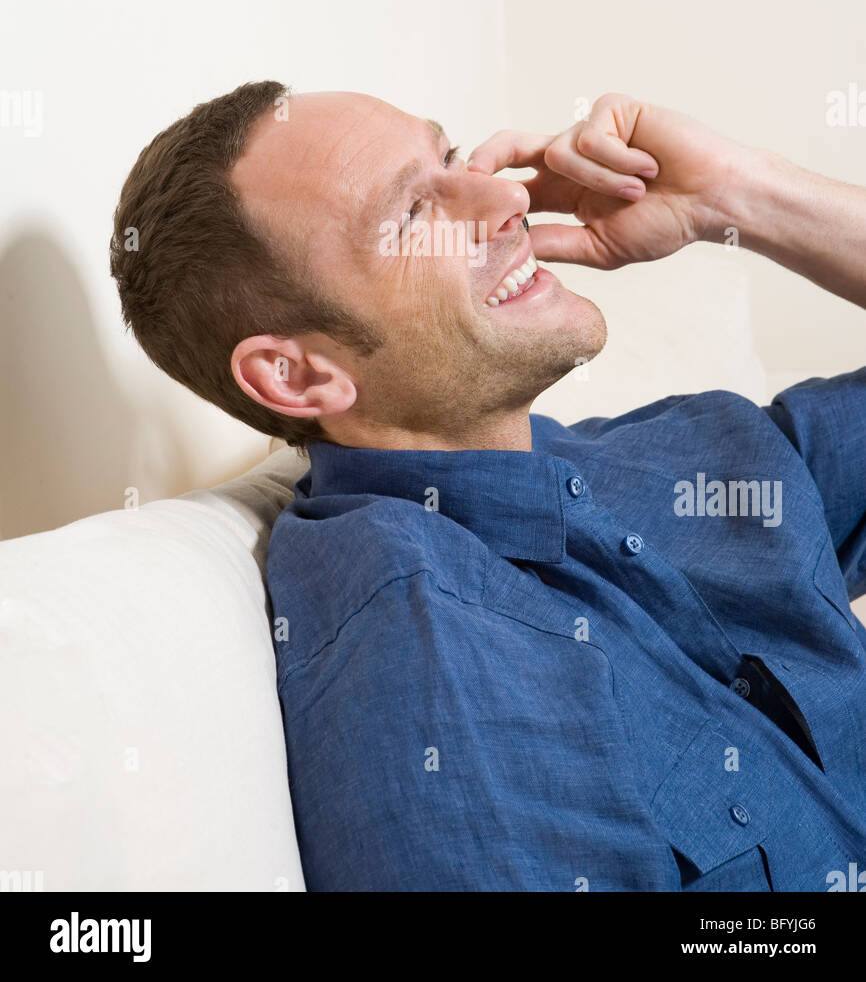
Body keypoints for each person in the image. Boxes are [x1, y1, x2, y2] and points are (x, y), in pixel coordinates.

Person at [110, 82, 866, 892]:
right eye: (410, 215)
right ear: (298, 376)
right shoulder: (421, 656)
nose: (506, 195)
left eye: (448, 155)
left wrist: (737, 194)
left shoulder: (671, 455)